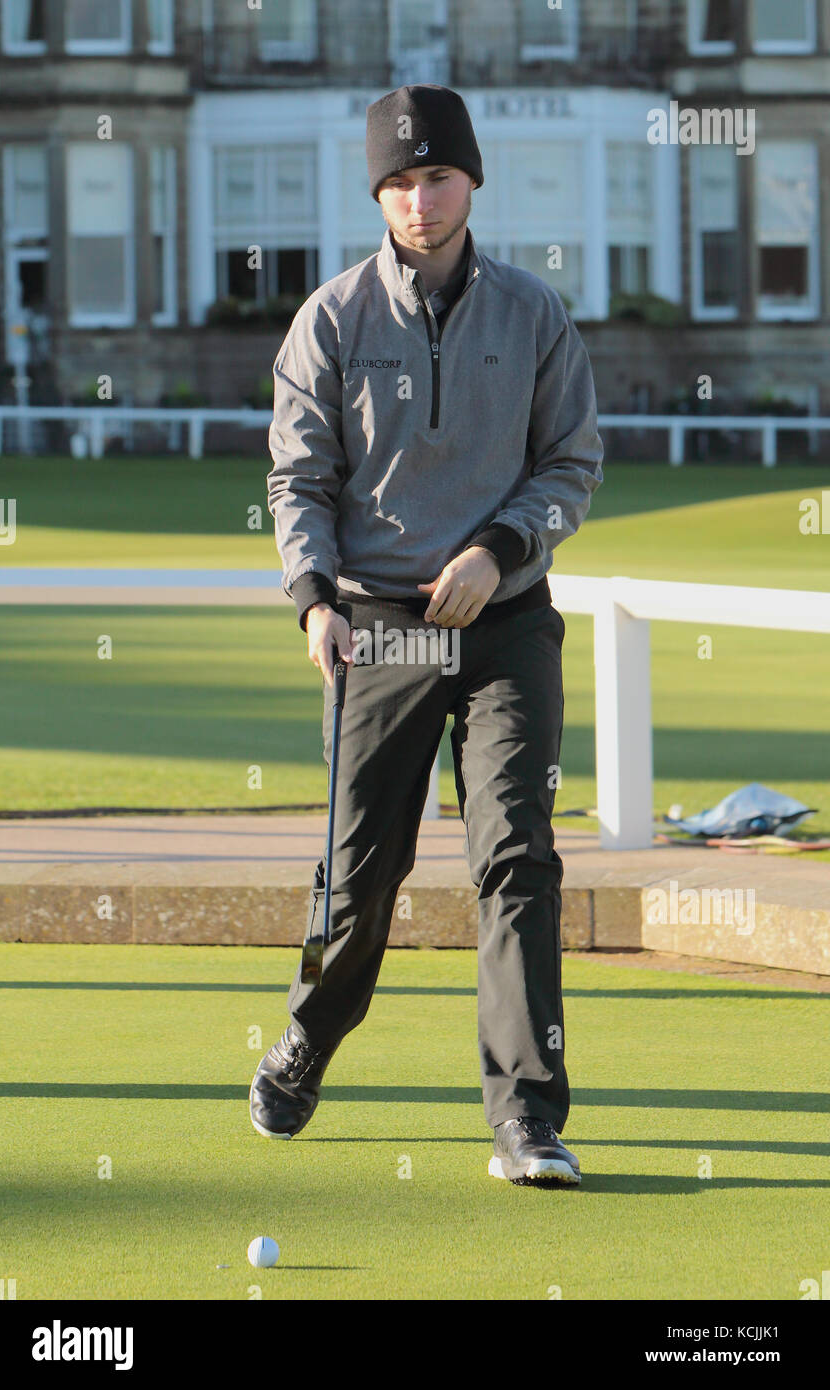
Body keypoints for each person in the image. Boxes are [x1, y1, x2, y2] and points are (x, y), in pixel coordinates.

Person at [252, 84, 603, 1186]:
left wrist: (497, 548)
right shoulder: (332, 318)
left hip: (502, 624)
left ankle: (525, 1116)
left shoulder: (534, 315)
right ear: (379, 193)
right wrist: (314, 598)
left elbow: (570, 465)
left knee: (518, 860)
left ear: (471, 181)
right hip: (377, 631)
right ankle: (310, 1034)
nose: (418, 200)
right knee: (360, 877)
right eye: (397, 182)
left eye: (436, 176)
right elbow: (297, 477)